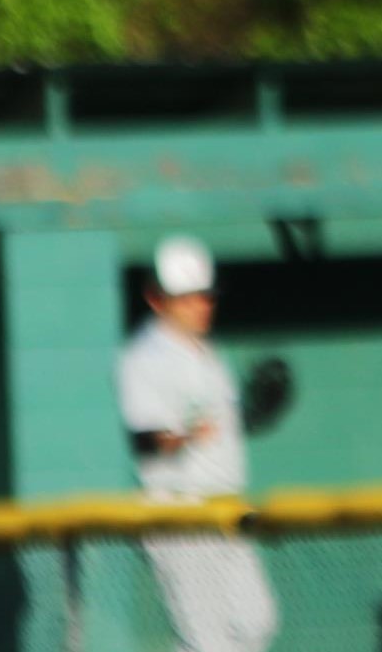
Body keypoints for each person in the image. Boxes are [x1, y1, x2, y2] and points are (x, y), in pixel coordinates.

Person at [115, 235, 278, 652]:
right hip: (179, 513)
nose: (199, 306)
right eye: (185, 298)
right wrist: (183, 437)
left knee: (256, 622)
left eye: (204, 296)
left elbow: (218, 430)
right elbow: (147, 438)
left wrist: (251, 417)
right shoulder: (143, 357)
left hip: (226, 507)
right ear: (156, 298)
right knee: (208, 641)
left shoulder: (209, 355)